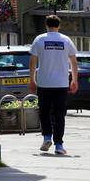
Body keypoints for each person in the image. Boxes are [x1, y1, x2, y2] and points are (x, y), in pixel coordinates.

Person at [29, 14, 78, 157]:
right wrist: (74, 80)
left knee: (44, 112)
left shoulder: (39, 40)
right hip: (61, 84)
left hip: (44, 83)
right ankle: (59, 145)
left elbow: (33, 61)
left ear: (46, 25)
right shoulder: (66, 40)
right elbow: (74, 62)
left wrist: (32, 79)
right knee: (59, 115)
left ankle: (46, 137)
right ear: (59, 25)